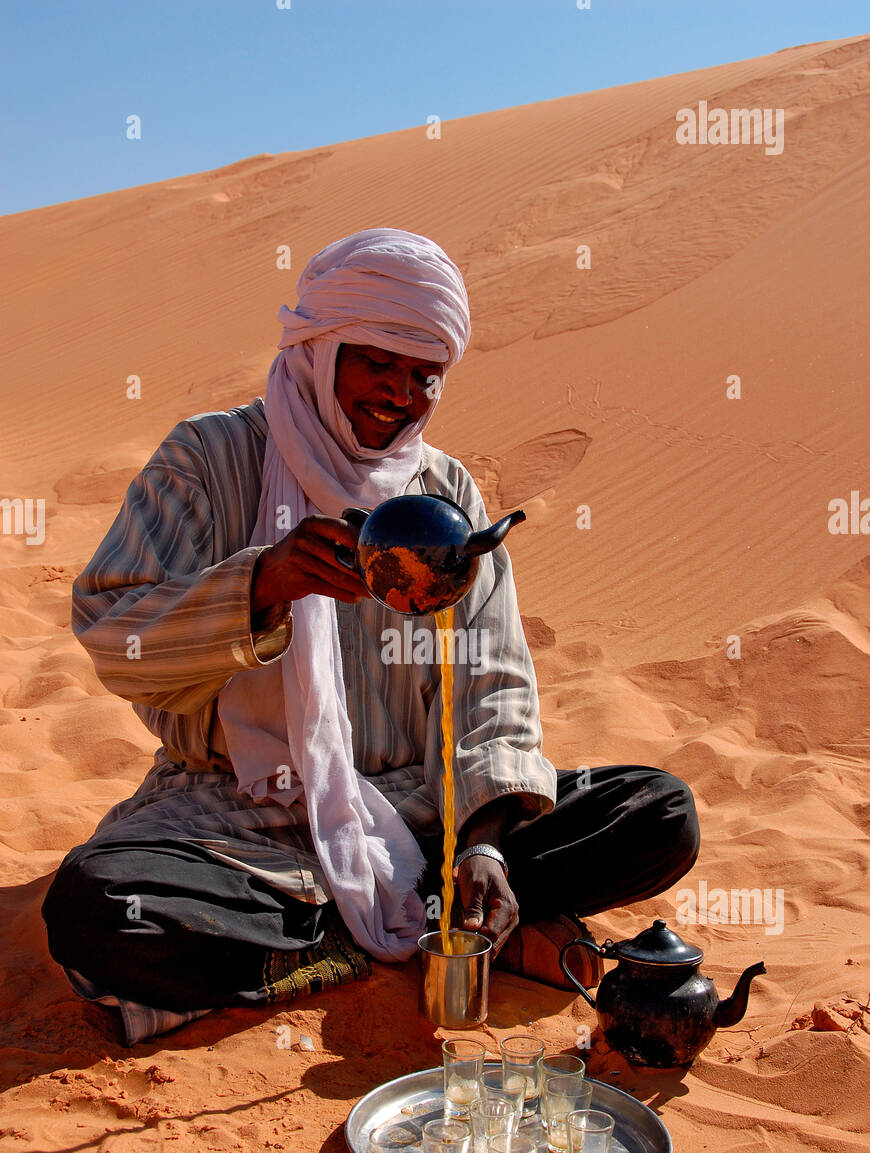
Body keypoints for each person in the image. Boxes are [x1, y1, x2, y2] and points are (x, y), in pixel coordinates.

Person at [42, 228, 700, 1045]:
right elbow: (114, 635)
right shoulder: (209, 458)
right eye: (378, 363)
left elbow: (490, 681)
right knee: (99, 905)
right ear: (320, 349)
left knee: (657, 812)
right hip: (244, 817)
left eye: (425, 374)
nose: (400, 393)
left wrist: (486, 849)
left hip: (426, 810)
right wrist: (262, 585)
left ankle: (417, 914)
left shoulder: (443, 488)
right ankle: (399, 932)